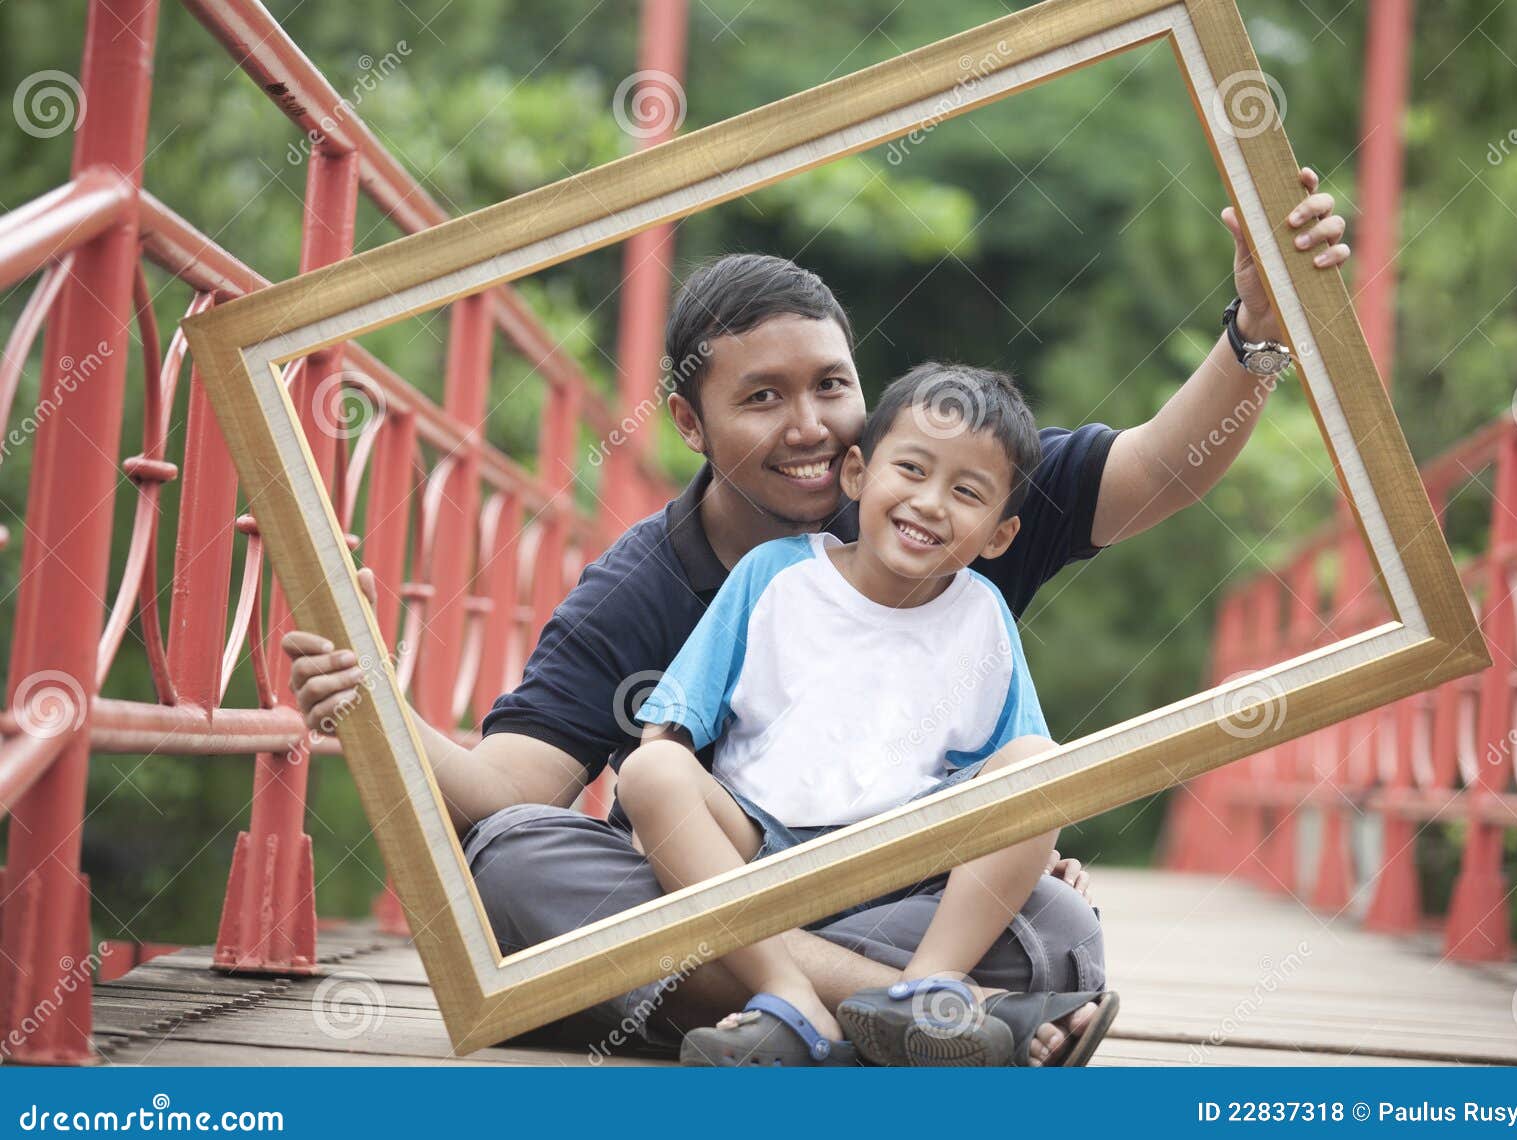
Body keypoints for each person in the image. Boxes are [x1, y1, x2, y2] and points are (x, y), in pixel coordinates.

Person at [284, 168, 1350, 1055]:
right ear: (685, 423)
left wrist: (1256, 334)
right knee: (514, 865)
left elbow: (1159, 469)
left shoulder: (929, 502)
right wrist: (371, 695)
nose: (808, 427)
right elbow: (505, 793)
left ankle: (819, 1011)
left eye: (830, 385)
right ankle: (937, 1025)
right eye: (760, 398)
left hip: (900, 896)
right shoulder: (646, 584)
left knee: (1056, 921)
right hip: (730, 879)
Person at [620, 363, 1118, 1066]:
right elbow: (671, 723)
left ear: (1000, 534)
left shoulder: (983, 617)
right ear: (856, 473)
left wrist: (1045, 845)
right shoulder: (775, 576)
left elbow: (1019, 771)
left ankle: (921, 995)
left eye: (966, 491)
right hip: (758, 847)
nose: (930, 502)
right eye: (910, 469)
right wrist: (662, 828)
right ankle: (789, 993)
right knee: (651, 772)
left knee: (1047, 774)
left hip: (903, 860)